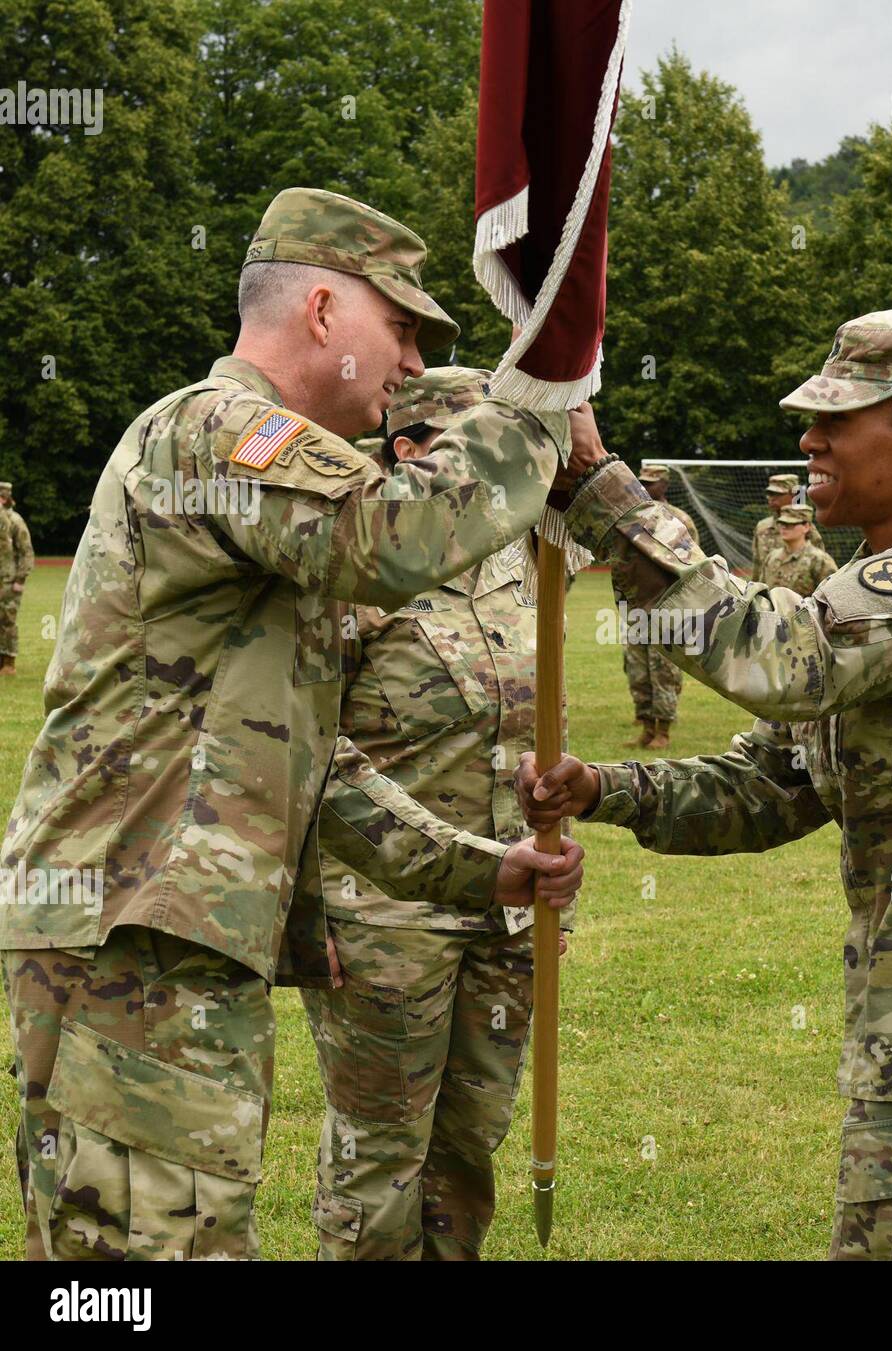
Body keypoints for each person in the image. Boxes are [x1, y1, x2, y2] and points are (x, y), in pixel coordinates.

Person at [0, 187, 585, 1262]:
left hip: (167, 934)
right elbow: (394, 535)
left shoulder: (265, 510)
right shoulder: (215, 431)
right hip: (133, 932)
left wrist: (473, 869)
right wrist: (538, 407)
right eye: (402, 328)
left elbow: (308, 760)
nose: (411, 366)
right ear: (321, 309)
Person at [523, 309, 892, 1261]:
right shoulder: (877, 581)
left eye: (840, 419)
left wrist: (606, 492)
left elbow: (775, 658)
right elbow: (776, 781)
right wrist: (605, 786)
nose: (810, 438)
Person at [304, 367, 573, 1261]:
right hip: (383, 914)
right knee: (380, 1154)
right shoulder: (356, 570)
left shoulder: (517, 565)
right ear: (409, 452)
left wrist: (546, 864)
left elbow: (529, 728)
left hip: (502, 908)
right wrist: (310, 907)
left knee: (468, 1137)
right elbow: (305, 751)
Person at [620, 464, 699, 751]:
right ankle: (645, 727)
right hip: (635, 608)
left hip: (668, 609)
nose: (645, 487)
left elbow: (693, 565)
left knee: (664, 669)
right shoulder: (631, 518)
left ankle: (663, 731)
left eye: (651, 483)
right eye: (642, 482)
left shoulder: (679, 520)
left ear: (664, 486)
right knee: (637, 669)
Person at [754, 503, 837, 596]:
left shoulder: (819, 560)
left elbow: (832, 597)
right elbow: (762, 592)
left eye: (791, 524)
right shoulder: (772, 557)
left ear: (806, 527)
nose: (784, 527)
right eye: (782, 523)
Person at [749, 472, 825, 571]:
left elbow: (820, 564)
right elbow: (757, 565)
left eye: (777, 494)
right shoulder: (762, 527)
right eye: (769, 494)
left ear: (794, 495)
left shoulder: (804, 528)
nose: (771, 498)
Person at [0, 481, 34, 675]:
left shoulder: (16, 521)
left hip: (10, 581)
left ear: (3, 498)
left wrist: (20, 580)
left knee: (8, 621)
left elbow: (26, 552)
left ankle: (9, 663)